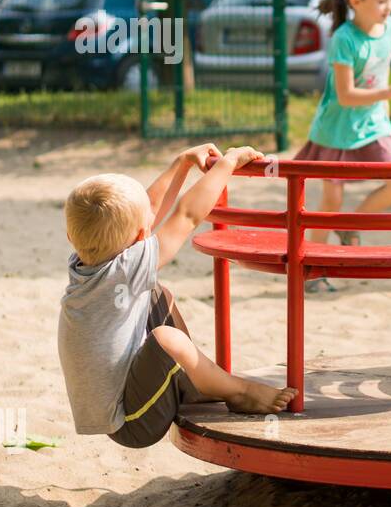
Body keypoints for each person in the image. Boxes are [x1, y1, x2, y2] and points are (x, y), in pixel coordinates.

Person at [58, 144, 296, 449]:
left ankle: (202, 382)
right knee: (166, 340)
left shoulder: (83, 263)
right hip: (134, 422)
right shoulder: (127, 269)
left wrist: (181, 164)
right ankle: (239, 391)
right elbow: (186, 215)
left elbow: (147, 212)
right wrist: (228, 164)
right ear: (142, 236)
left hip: (129, 400)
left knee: (155, 294)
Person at [293, 0, 391, 291]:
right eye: (380, 1)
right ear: (356, 1)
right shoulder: (344, 39)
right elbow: (346, 95)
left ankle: (349, 227)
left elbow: (380, 70)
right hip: (336, 127)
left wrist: (389, 102)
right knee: (330, 201)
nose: (388, 7)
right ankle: (313, 269)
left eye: (390, 0)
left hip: (375, 123)